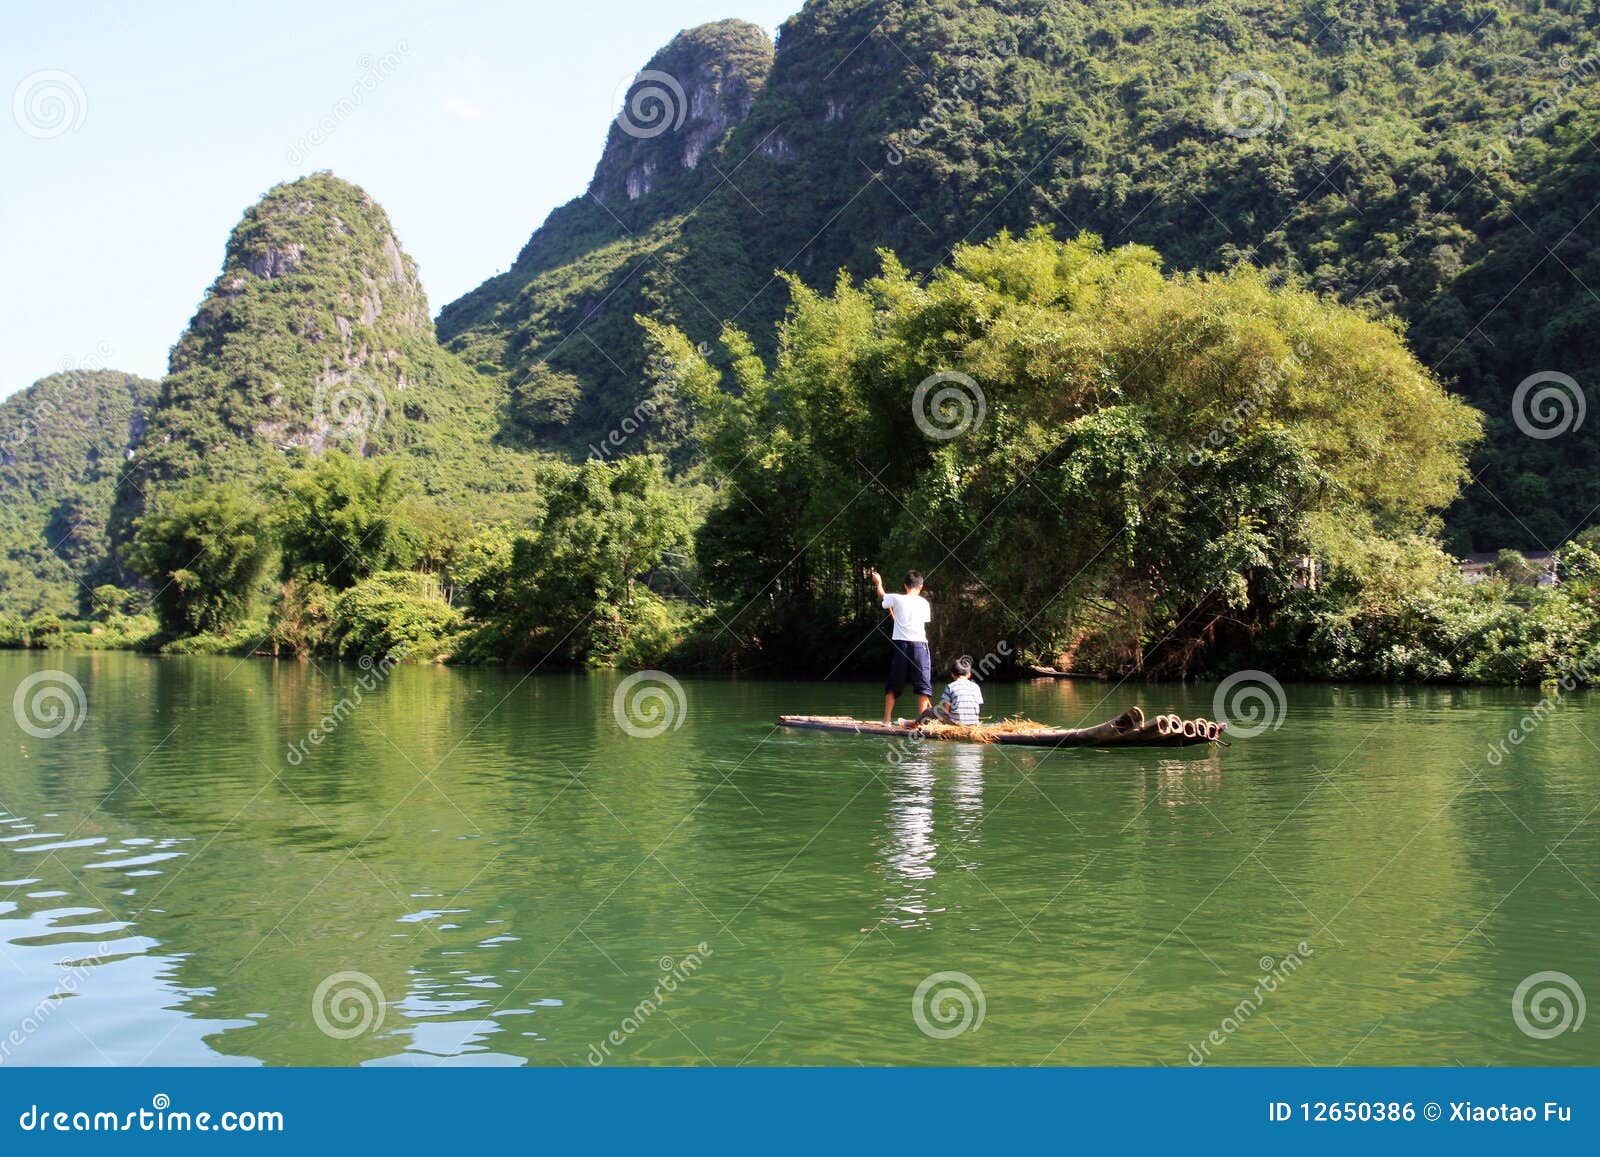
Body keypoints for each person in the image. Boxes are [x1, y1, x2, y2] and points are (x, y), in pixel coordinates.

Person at [870, 568, 931, 725]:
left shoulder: (896, 599)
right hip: (920, 646)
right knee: (923, 684)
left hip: (901, 646)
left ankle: (887, 720)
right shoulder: (924, 603)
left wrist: (879, 583)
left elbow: (882, 596)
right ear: (921, 586)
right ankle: (923, 722)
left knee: (894, 682)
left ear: (905, 586)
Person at [928, 656, 984, 725]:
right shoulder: (976, 687)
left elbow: (946, 710)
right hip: (974, 723)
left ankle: (916, 724)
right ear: (969, 674)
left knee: (929, 711)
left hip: (956, 723)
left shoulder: (950, 687)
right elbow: (977, 707)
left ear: (952, 674)